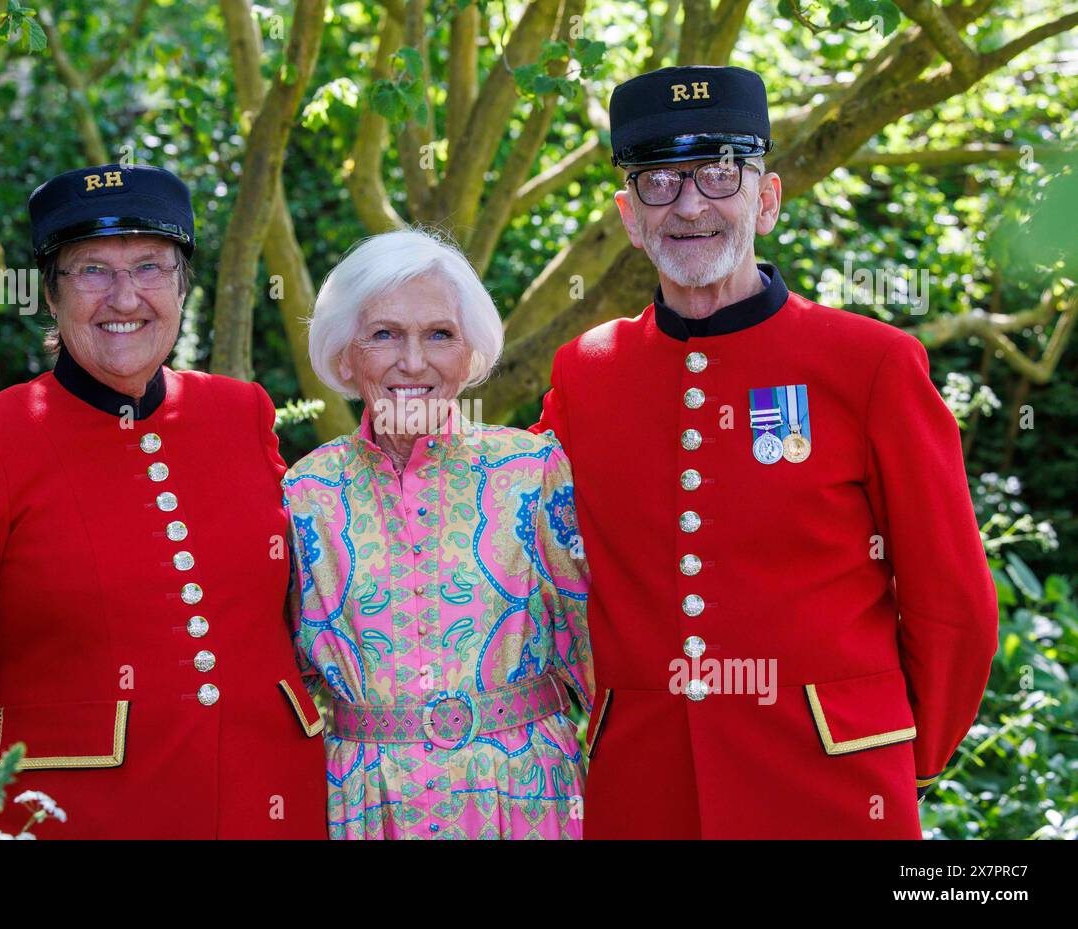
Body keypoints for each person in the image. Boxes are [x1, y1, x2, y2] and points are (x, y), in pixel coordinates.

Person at [532, 66, 998, 838]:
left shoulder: (870, 364)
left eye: (719, 175)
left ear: (767, 198)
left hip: (835, 784)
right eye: (659, 182)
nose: (690, 205)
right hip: (647, 785)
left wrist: (894, 741)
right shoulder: (586, 371)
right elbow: (532, 553)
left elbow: (953, 599)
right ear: (629, 215)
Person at [0, 163, 326, 838]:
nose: (124, 297)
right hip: (78, 819)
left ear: (181, 286)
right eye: (91, 270)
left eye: (150, 266)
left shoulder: (241, 412)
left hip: (273, 803)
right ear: (51, 295)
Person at [284, 229, 594, 839]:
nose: (414, 361)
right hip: (367, 806)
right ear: (346, 355)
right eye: (384, 334)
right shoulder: (304, 493)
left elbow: (594, 648)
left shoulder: (531, 471)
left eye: (439, 335)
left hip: (526, 799)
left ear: (470, 353)